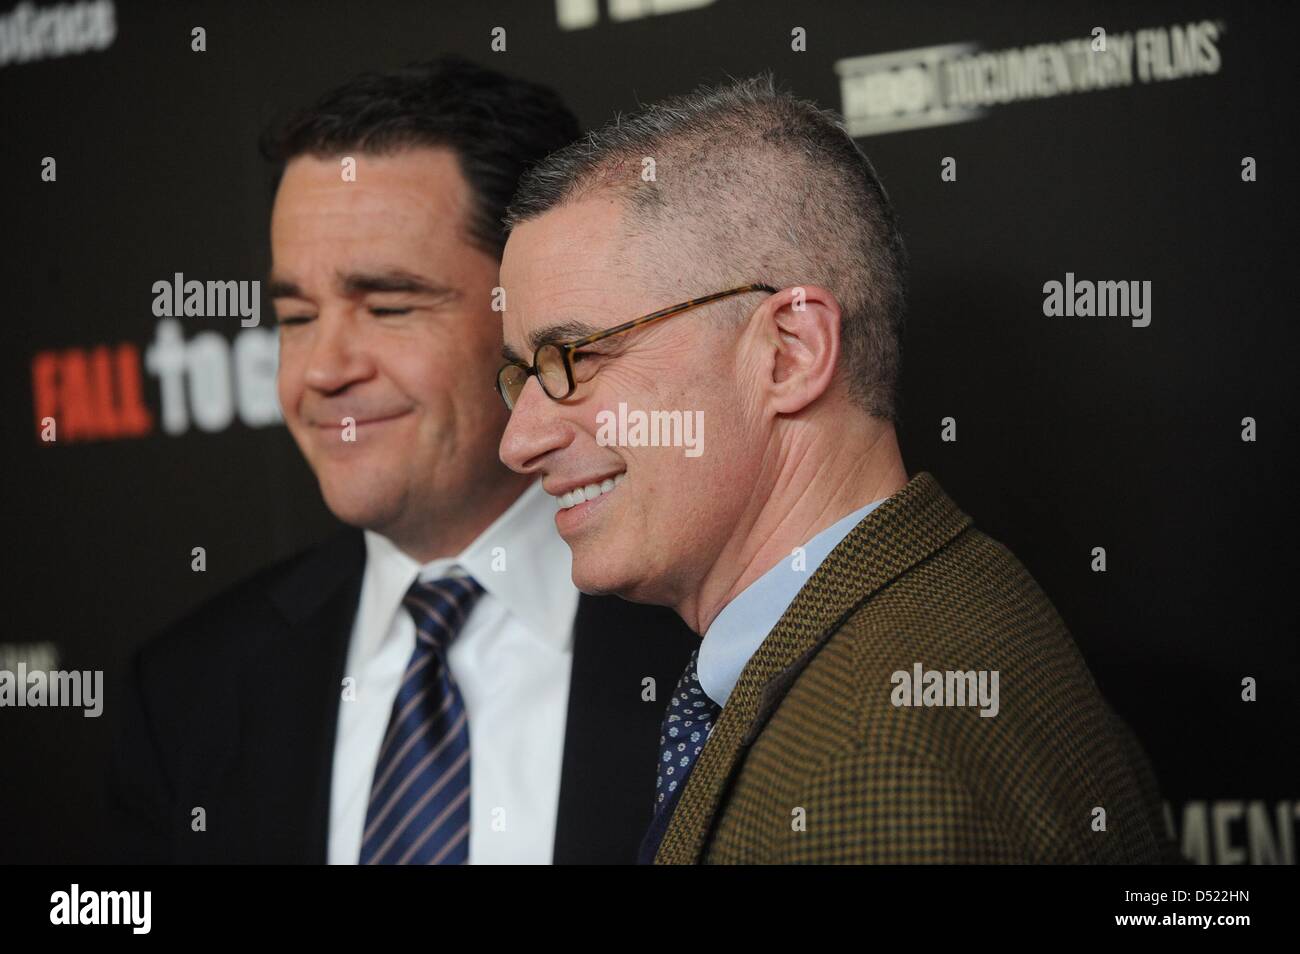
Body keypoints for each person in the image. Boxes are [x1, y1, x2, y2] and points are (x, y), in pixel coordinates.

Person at [495, 75, 1179, 863]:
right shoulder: (942, 608)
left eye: (575, 357)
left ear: (790, 354)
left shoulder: (869, 762)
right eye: (521, 373)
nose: (521, 441)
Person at [108, 56, 695, 864]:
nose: (322, 368)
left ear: (537, 309)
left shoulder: (713, 642)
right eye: (295, 315)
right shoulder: (186, 691)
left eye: (387, 306)